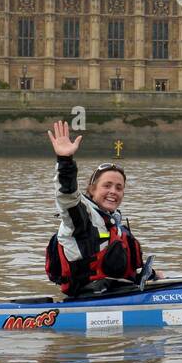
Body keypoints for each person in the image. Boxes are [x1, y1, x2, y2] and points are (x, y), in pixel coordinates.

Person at [44, 120, 161, 295]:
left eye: (119, 188)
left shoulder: (114, 223)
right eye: (107, 186)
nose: (113, 192)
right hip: (89, 301)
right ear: (92, 190)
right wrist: (65, 160)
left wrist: (153, 276)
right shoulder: (80, 218)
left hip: (117, 293)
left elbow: (124, 271)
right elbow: (67, 196)